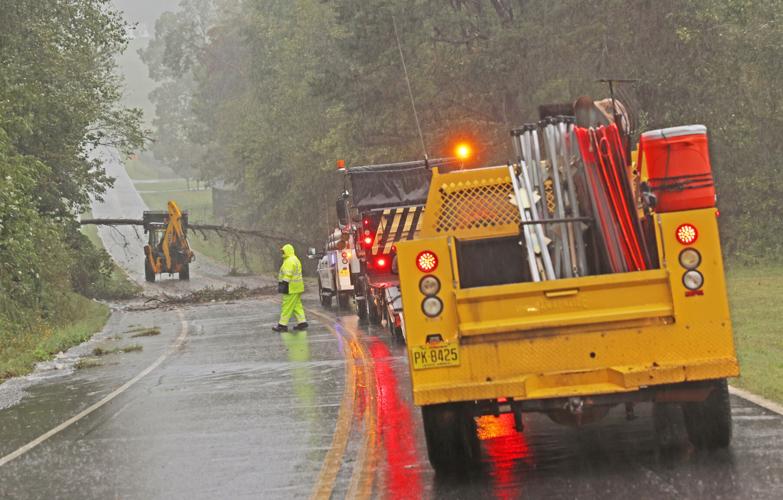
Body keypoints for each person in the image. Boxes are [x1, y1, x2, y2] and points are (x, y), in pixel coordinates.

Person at [273, 244, 307, 332]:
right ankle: (302, 322)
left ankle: (282, 325)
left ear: (287, 251)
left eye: (283, 251)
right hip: (297, 287)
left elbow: (288, 274)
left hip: (290, 287)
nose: (282, 253)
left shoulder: (289, 261)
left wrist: (284, 284)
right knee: (296, 306)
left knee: (286, 306)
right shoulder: (295, 259)